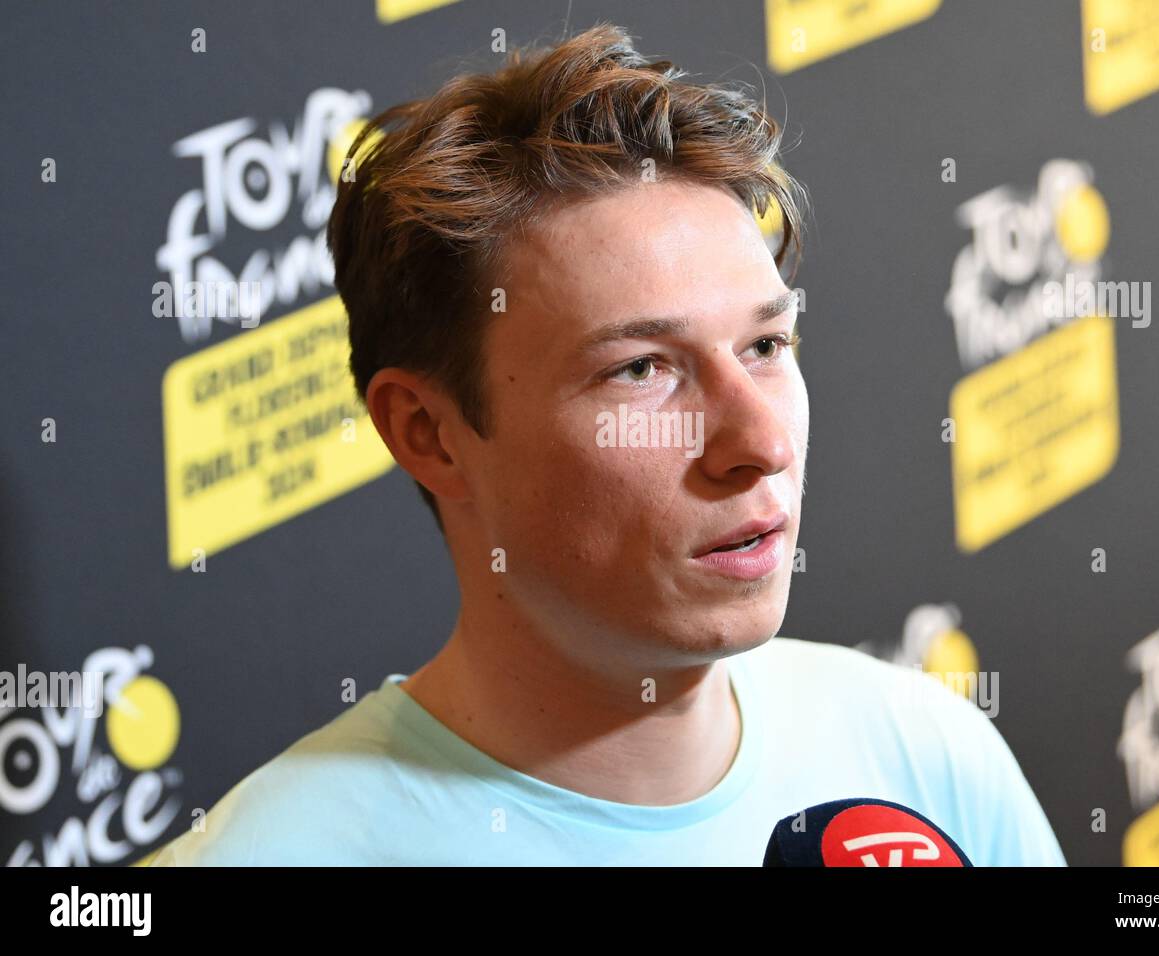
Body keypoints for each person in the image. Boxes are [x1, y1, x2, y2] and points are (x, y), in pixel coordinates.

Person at [150, 22, 1065, 866]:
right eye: (641, 370)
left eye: (766, 346)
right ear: (428, 433)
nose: (760, 442)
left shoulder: (917, 753)